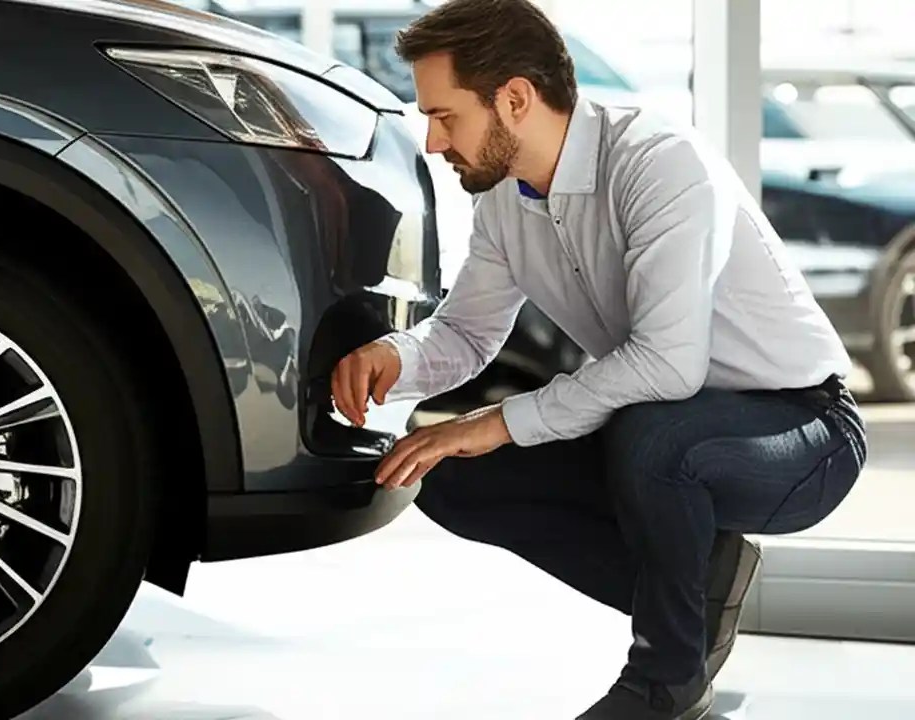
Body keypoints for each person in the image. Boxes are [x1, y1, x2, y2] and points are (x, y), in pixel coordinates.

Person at [329, 1, 869, 718]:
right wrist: (394, 357)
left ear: (515, 98)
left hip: (805, 432)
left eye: (445, 116)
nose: (432, 142)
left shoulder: (658, 162)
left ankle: (663, 685)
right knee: (448, 475)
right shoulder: (504, 204)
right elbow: (467, 334)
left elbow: (669, 365)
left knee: (650, 437)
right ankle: (701, 578)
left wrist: (497, 418)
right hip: (665, 428)